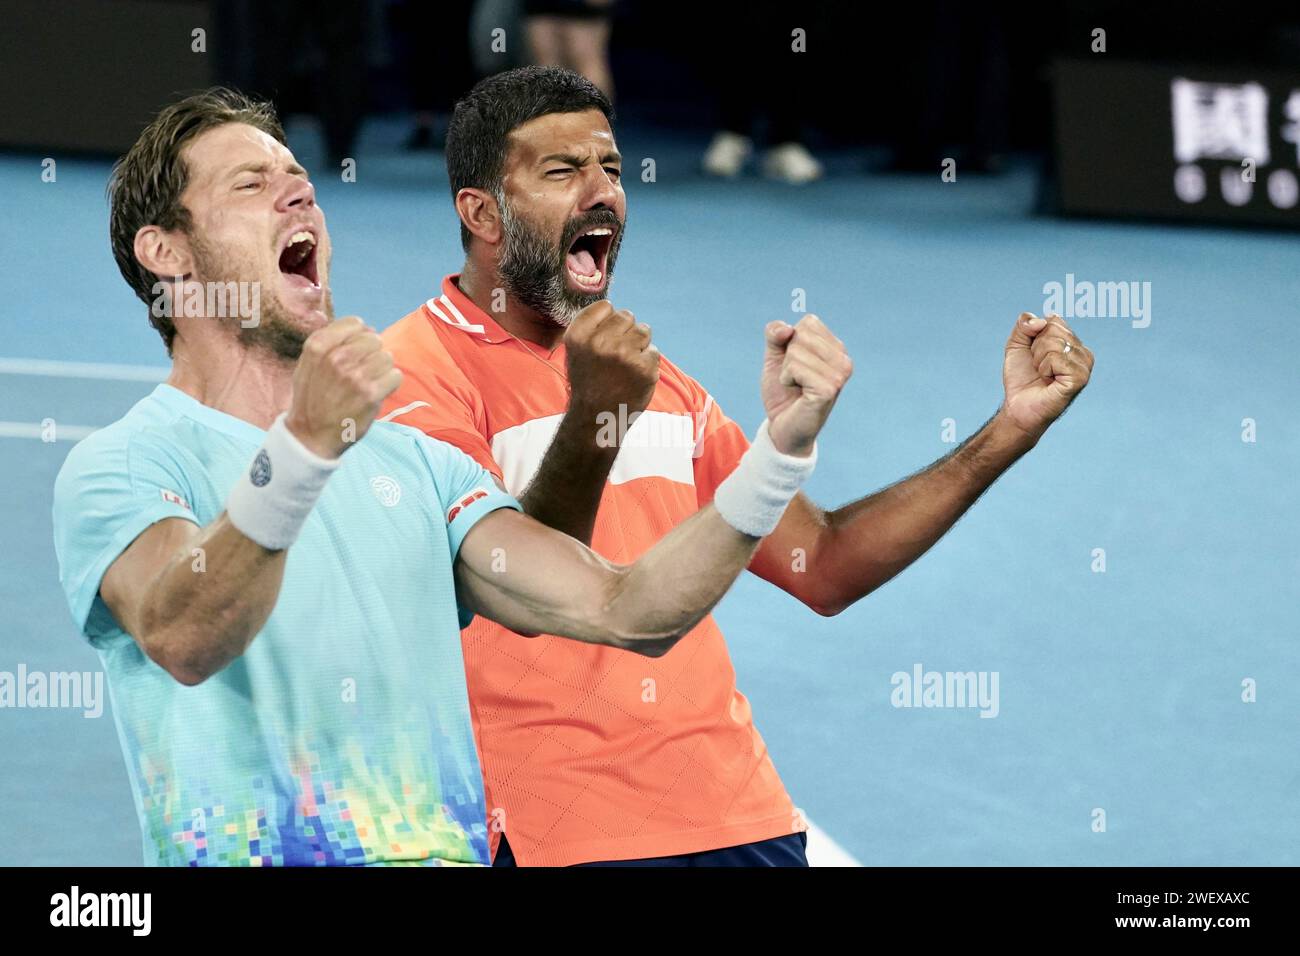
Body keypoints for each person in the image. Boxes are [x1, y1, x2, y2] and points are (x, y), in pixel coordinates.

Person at [51, 87, 849, 866]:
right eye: (253, 185)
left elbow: (628, 607)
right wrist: (302, 450)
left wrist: (778, 458)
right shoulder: (125, 464)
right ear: (166, 252)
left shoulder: (417, 464)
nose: (299, 196)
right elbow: (186, 636)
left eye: (301, 182)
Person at [379, 66, 1094, 866]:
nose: (602, 191)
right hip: (561, 834)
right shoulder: (412, 375)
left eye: (611, 169)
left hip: (741, 817)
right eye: (561, 171)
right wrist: (595, 419)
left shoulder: (660, 379)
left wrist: (1008, 430)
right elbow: (517, 587)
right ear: (481, 212)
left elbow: (819, 563)